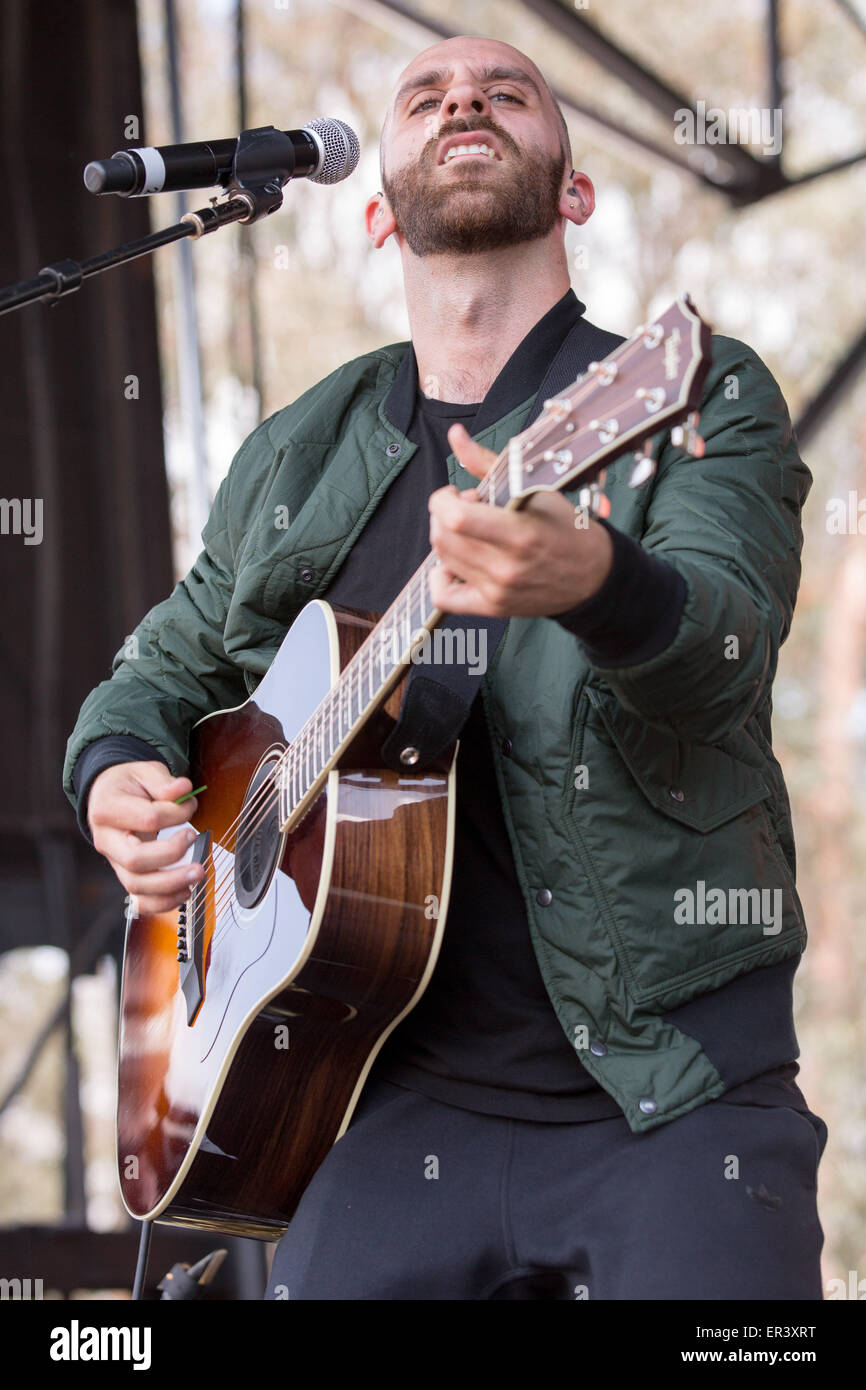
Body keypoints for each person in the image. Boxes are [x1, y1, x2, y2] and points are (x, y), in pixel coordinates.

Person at [64, 35, 825, 1300]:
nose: (461, 100)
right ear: (375, 210)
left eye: (505, 93)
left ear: (572, 192)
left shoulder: (684, 391)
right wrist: (113, 769)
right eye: (424, 96)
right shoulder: (295, 457)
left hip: (665, 1090)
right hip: (380, 1096)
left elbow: (723, 657)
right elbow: (161, 664)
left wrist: (598, 582)